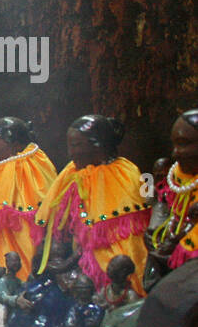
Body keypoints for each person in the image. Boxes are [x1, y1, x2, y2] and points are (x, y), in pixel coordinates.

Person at [34, 114, 148, 294]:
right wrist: (59, 263)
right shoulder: (71, 172)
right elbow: (58, 225)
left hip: (113, 268)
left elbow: (126, 241)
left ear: (99, 145)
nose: (71, 153)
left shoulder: (124, 175)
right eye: (70, 145)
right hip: (75, 262)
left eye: (76, 145)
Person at [0, 116, 56, 280]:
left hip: (24, 229)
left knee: (26, 251)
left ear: (14, 145)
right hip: (0, 239)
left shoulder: (29, 164)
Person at [149, 109, 198, 277]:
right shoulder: (177, 176)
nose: (175, 152)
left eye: (183, 143)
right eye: (174, 144)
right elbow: (166, 206)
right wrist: (156, 228)